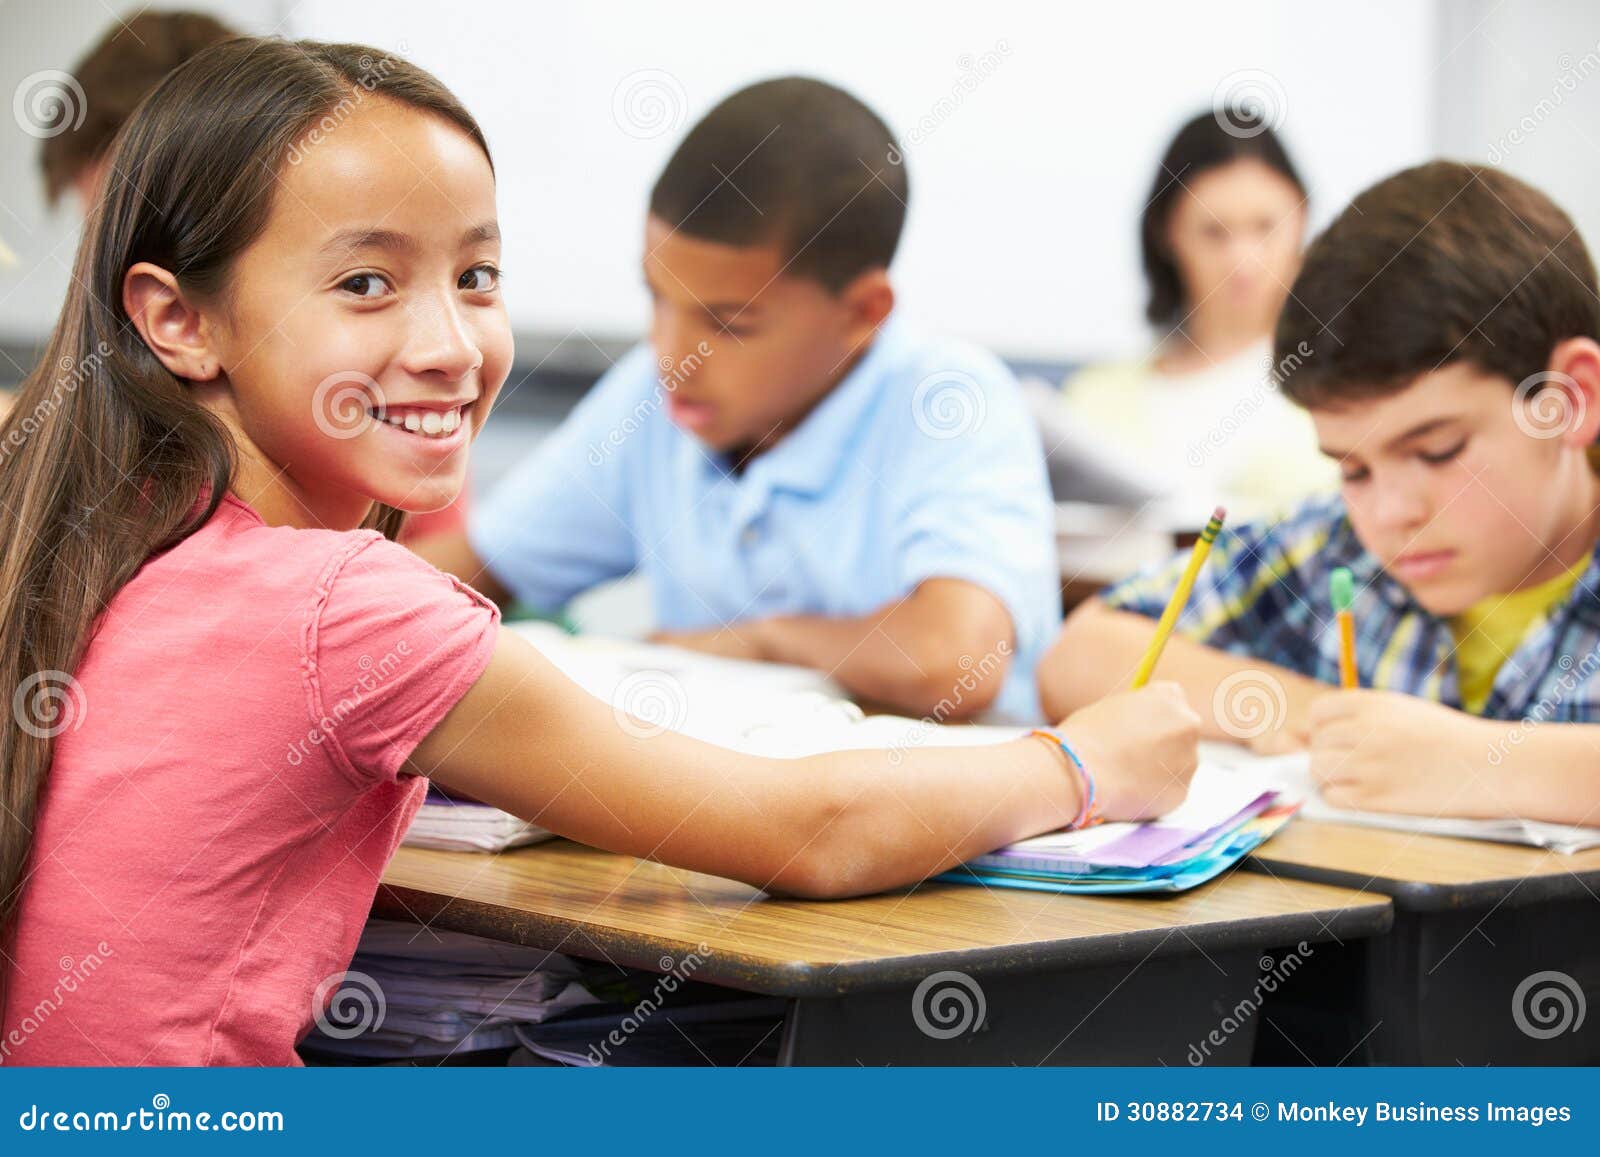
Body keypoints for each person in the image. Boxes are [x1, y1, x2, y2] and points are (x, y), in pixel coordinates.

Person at [0, 37, 1199, 1066]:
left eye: (477, 276)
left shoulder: (102, 525)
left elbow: (959, 650)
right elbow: (813, 832)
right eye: (367, 282)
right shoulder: (346, 605)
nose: (449, 343)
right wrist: (1079, 766)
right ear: (176, 320)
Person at [415, 78, 1060, 721]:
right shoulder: (650, 395)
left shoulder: (947, 400)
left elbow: (950, 658)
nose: (673, 355)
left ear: (864, 312)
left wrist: (753, 643)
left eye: (728, 324)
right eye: (658, 298)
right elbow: (462, 572)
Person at [1041, 161, 1600, 826]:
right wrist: (1313, 714)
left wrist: (1483, 764)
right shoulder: (1332, 546)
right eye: (1353, 469)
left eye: (1437, 451)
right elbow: (1079, 654)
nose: (1392, 515)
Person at [1036, 109, 1335, 519]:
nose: (1244, 262)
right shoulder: (1092, 402)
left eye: (1266, 227)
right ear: (1166, 234)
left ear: (1302, 222)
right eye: (1214, 231)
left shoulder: (1342, 390)